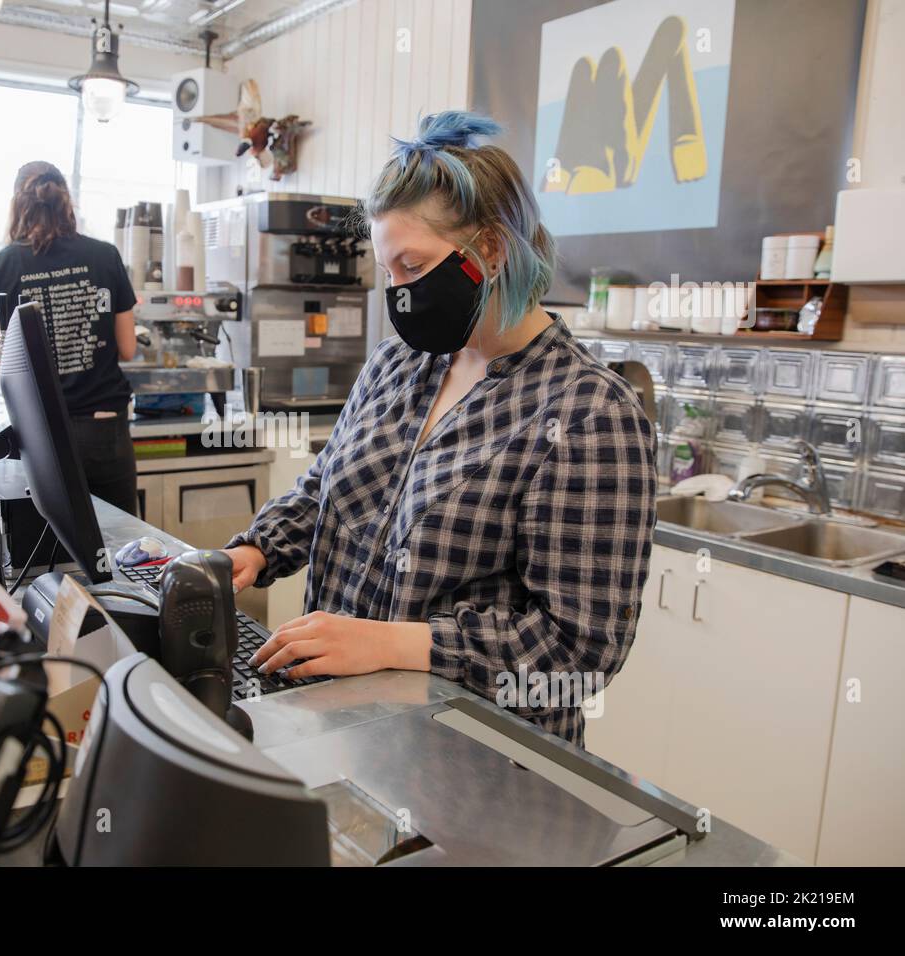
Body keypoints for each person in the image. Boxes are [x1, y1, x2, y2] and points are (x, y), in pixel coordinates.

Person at [222, 112, 658, 747]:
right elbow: (327, 490)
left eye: (413, 265)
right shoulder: (400, 363)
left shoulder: (589, 414)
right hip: (355, 727)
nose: (400, 293)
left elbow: (579, 652)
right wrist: (254, 550)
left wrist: (394, 644)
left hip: (481, 761)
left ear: (490, 249)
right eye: (388, 272)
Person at [0, 161, 139, 515]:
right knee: (122, 545)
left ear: (17, 204)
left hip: (37, 431)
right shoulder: (105, 256)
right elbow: (128, 347)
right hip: (103, 427)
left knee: (45, 548)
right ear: (67, 202)